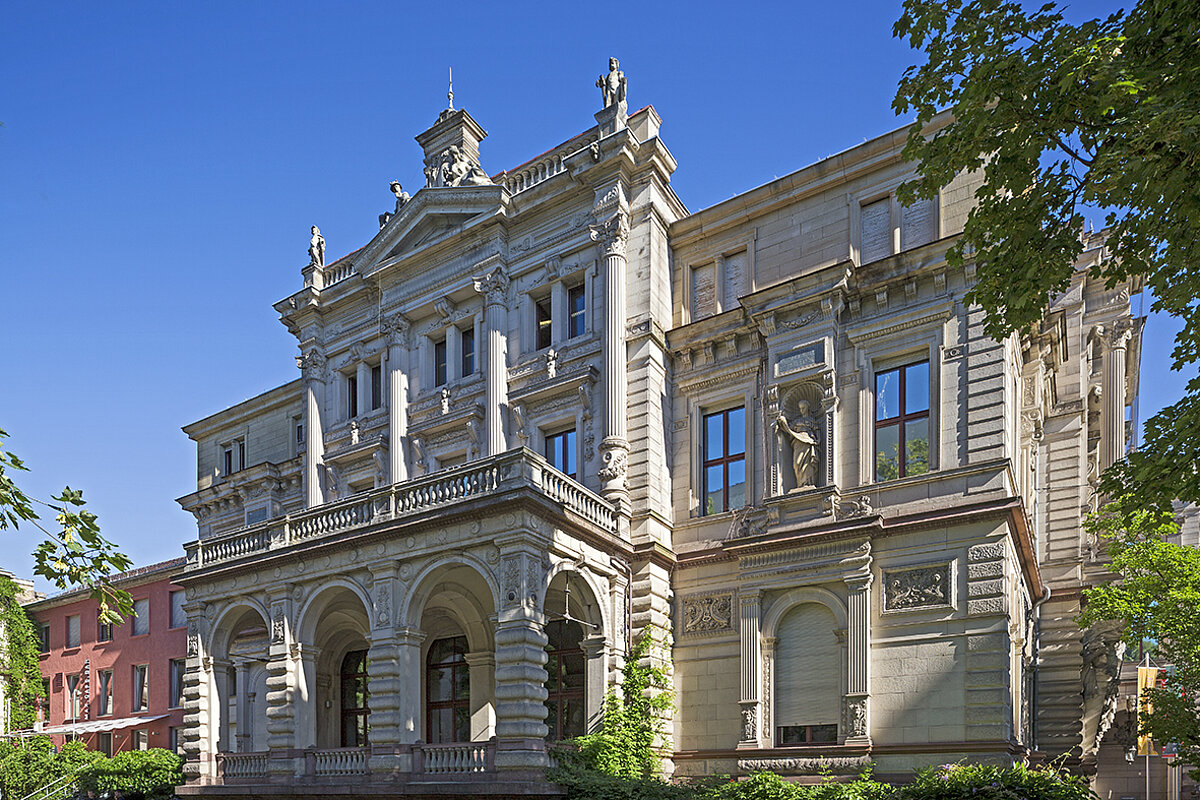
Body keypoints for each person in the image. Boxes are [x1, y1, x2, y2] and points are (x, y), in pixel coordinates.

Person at [777, 402, 818, 488]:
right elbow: (787, 428)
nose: (802, 410)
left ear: (807, 408)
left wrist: (817, 440)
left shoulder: (811, 420)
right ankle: (800, 484)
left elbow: (817, 431)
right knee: (797, 463)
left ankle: (808, 483)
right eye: (800, 408)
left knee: (807, 463)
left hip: (808, 441)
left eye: (803, 408)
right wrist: (781, 422)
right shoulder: (796, 421)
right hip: (797, 443)